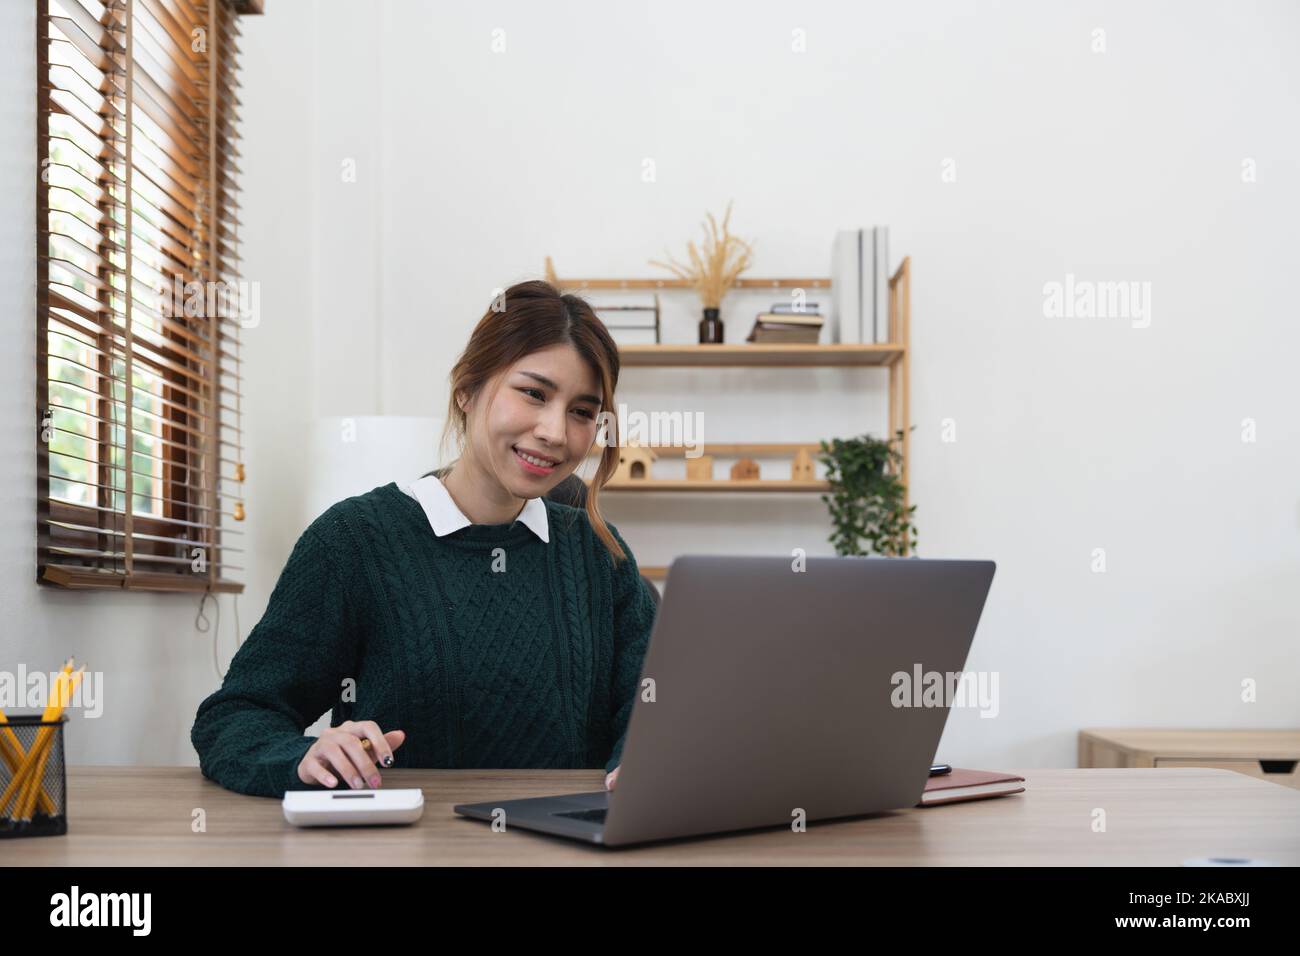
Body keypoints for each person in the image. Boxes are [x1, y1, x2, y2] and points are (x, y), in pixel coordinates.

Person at [190, 279, 658, 797]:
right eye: (533, 393)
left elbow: (654, 701)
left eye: (582, 412)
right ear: (467, 388)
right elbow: (235, 717)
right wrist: (305, 755)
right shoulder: (352, 542)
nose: (554, 431)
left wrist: (636, 760)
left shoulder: (598, 551)